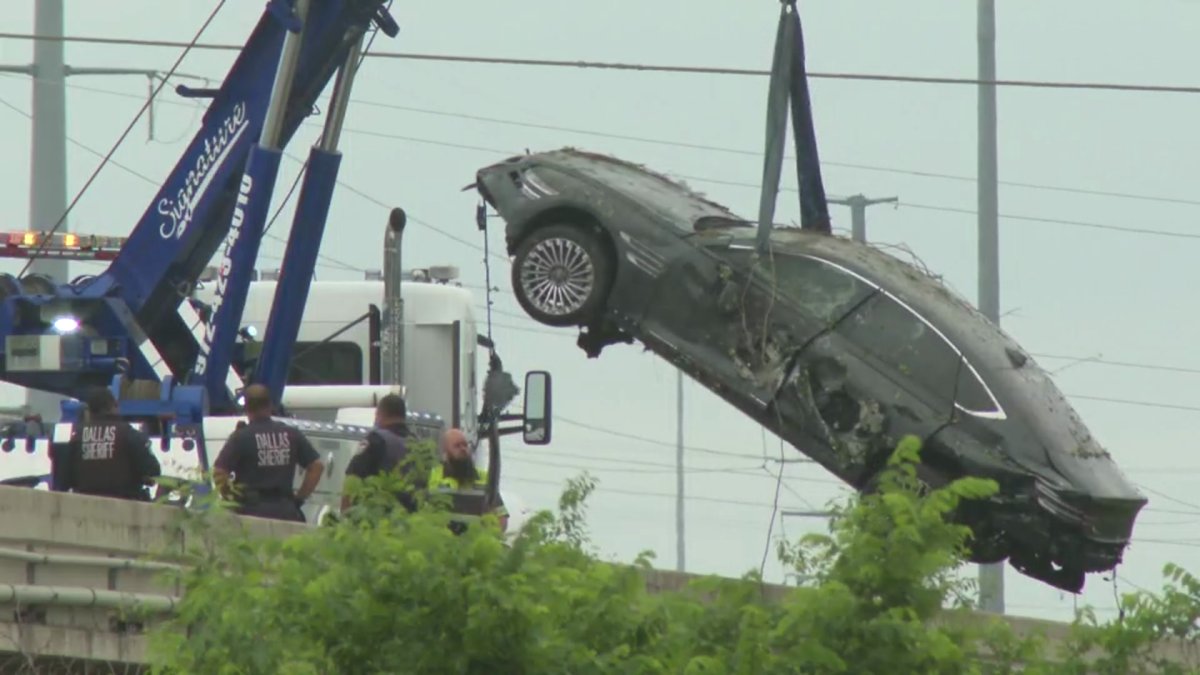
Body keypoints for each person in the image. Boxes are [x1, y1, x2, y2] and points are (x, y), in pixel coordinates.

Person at [211, 384, 324, 522]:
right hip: (285, 510)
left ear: (246, 408)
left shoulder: (241, 437)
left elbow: (219, 473)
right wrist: (299, 499)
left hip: (250, 511)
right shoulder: (291, 434)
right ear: (270, 405)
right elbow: (316, 467)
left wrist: (231, 499)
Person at [54, 387, 161, 501]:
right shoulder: (128, 434)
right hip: (125, 506)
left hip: (85, 507)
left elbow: (62, 481)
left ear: (89, 410)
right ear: (114, 405)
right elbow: (153, 472)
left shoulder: (76, 437)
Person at [341, 394, 421, 513]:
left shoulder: (376, 440)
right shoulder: (418, 445)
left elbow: (352, 478)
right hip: (412, 522)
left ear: (380, 414)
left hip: (377, 519)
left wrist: (345, 517)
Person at [429, 428, 508, 533]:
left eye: (465, 445)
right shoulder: (435, 477)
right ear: (445, 453)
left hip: (478, 544)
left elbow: (501, 517)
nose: (463, 449)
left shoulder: (484, 478)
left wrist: (491, 534)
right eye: (457, 446)